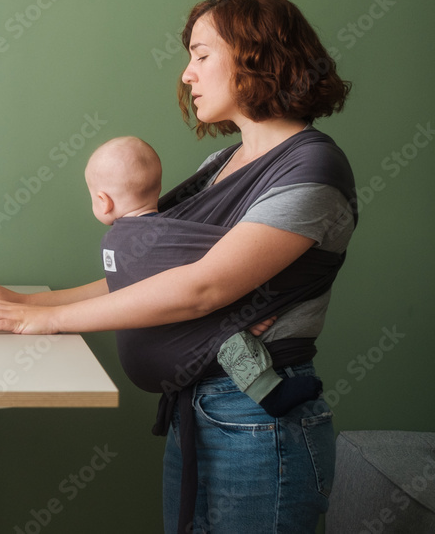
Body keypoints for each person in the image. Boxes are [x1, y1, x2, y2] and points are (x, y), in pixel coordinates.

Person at [0, 0, 355, 534]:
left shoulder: (312, 169)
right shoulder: (223, 163)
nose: (187, 74)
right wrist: (24, 302)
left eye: (201, 55)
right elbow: (143, 277)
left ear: (257, 55)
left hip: (259, 421)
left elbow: (200, 289)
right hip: (202, 410)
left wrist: (44, 321)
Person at [86, 136, 324, 418]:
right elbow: (222, 276)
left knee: (228, 342)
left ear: (103, 201)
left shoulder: (116, 243)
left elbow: (203, 286)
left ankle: (271, 393)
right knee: (231, 345)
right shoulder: (181, 233)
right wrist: (241, 318)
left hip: (162, 354)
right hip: (183, 350)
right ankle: (269, 390)